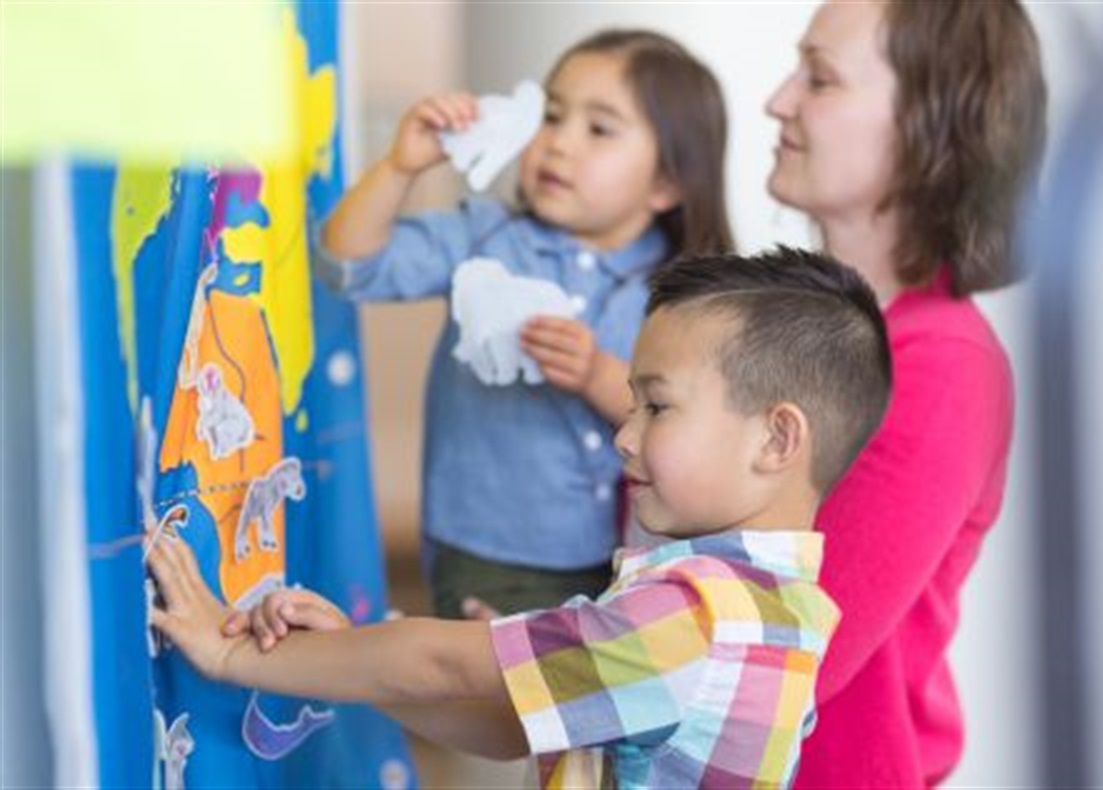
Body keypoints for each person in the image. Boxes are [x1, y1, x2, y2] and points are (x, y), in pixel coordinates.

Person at [147, 247, 893, 788]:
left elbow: (446, 663)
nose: (624, 435)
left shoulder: (695, 620)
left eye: (658, 407)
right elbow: (513, 724)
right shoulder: (786, 613)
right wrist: (354, 663)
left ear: (778, 438)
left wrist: (231, 655)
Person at [315, 28, 733, 620]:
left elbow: (697, 423)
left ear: (667, 182)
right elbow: (347, 265)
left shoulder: (680, 291)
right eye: (552, 116)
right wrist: (399, 167)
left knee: (573, 706)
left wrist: (595, 375)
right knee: (490, 697)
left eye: (599, 129)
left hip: (627, 556)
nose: (558, 144)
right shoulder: (483, 235)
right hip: (490, 551)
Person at [764, 1, 1047, 786]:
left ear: (928, 125)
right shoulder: (772, 326)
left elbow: (781, 662)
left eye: (818, 77)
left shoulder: (945, 366)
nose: (778, 100)